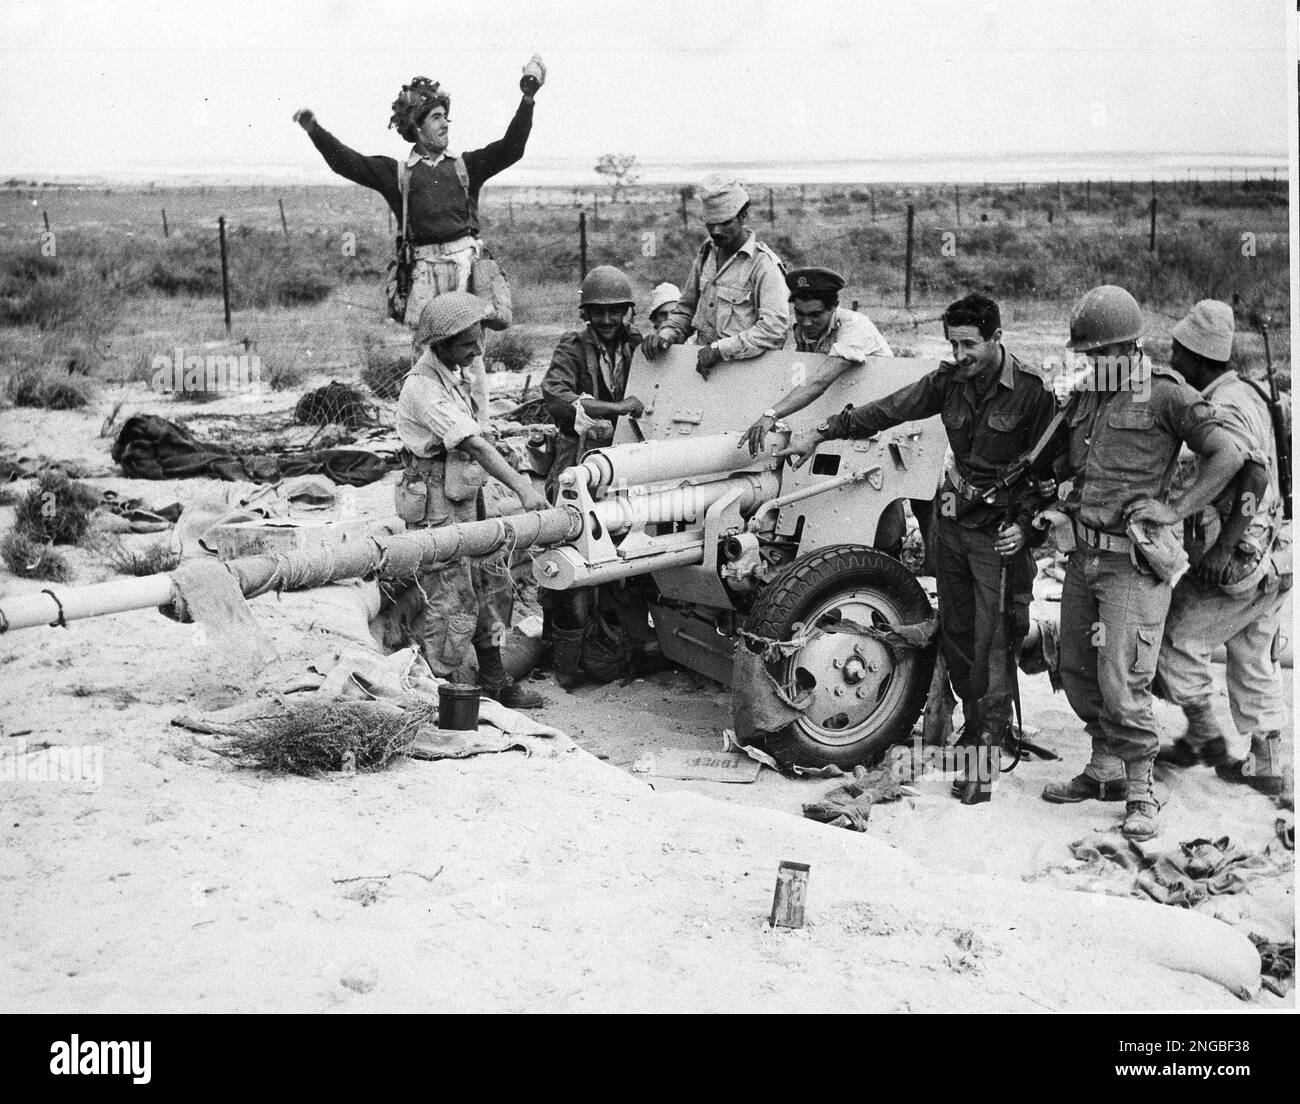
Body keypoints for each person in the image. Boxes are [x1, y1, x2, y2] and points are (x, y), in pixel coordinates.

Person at [777, 293, 1056, 804]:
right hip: (953, 528)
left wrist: (1028, 530)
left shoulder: (1034, 393)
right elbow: (885, 412)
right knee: (957, 630)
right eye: (952, 343)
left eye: (969, 344)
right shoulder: (949, 381)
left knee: (995, 640)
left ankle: (985, 744)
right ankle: (969, 725)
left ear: (997, 339)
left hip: (1000, 535)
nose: (959, 353)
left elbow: (1053, 478)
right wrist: (819, 434)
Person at [1038, 285, 1247, 840]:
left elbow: (1230, 453)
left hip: (1133, 564)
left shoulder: (1167, 396)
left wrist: (1175, 505)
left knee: (1123, 677)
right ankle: (1102, 767)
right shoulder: (1086, 396)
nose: (1092, 364)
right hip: (1083, 557)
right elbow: (1068, 462)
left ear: (1130, 346)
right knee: (1078, 669)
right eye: (1087, 356)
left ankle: (1140, 790)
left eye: (1100, 355)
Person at [293, 58, 545, 407]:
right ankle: (429, 428)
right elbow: (346, 162)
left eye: (446, 116)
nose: (445, 124)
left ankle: (478, 428)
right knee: (428, 355)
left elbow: (512, 148)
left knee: (471, 352)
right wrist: (315, 130)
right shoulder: (396, 174)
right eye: (436, 117)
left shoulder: (467, 166)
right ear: (417, 126)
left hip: (466, 270)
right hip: (424, 274)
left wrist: (528, 98)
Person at [1153, 300, 1289, 794]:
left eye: (1178, 352)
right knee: (1253, 653)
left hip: (1243, 556)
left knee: (1174, 637)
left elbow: (1251, 471)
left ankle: (1204, 735)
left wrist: (1223, 549)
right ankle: (1267, 762)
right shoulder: (1251, 392)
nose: (1173, 360)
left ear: (1198, 357)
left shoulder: (1225, 405)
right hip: (1278, 550)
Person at [393, 292, 548, 710]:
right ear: (440, 344)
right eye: (467, 343)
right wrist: (524, 489)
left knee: (491, 583)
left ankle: (498, 682)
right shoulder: (422, 388)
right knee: (449, 599)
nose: (477, 349)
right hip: (435, 505)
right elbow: (475, 445)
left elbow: (482, 434)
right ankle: (439, 697)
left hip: (466, 494)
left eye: (479, 338)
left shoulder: (457, 375)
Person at [738, 266, 911, 557]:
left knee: (879, 491)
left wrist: (771, 414)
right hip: (835, 419)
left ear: (834, 308)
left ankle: (892, 561)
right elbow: (797, 374)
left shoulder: (855, 326)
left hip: (881, 423)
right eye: (800, 313)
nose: (805, 322)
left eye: (815, 315)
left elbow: (819, 381)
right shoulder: (802, 332)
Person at [540, 266, 657, 687]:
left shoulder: (640, 346)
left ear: (628, 311)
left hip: (628, 465)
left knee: (628, 555)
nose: (607, 321)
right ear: (585, 313)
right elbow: (556, 395)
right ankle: (564, 661)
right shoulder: (572, 347)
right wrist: (616, 408)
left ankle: (622, 649)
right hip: (578, 463)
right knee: (571, 559)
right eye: (598, 313)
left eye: (615, 312)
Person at [641, 179, 788, 379]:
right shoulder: (707, 253)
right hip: (705, 371)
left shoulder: (763, 265)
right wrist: (666, 335)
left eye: (725, 223)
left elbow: (774, 329)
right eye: (711, 223)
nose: (717, 231)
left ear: (743, 216)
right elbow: (686, 309)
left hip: (748, 375)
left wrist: (720, 350)